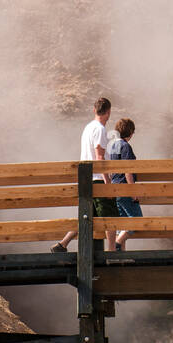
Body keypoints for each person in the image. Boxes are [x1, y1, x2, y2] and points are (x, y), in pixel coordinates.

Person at [53, 97, 119, 251]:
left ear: (94, 110)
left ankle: (63, 244)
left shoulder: (88, 127)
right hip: (97, 180)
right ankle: (112, 253)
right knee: (110, 215)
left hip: (86, 179)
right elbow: (100, 157)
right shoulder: (100, 129)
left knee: (86, 215)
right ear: (108, 112)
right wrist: (108, 183)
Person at [106, 118, 140, 251]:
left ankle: (121, 257)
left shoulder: (113, 145)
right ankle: (117, 244)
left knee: (123, 224)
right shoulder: (125, 146)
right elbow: (127, 171)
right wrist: (133, 191)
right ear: (130, 132)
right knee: (137, 222)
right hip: (124, 189)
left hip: (115, 189)